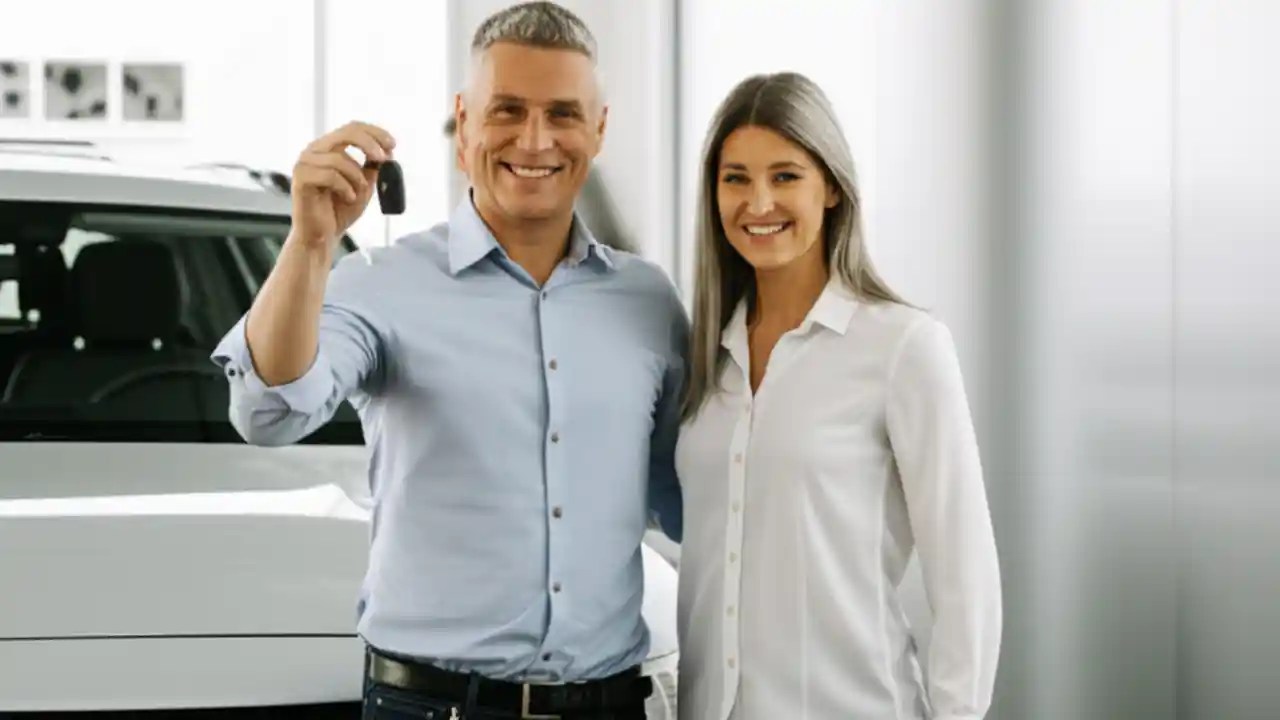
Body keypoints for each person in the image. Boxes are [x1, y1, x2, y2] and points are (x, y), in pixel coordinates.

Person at [209, 3, 686, 718]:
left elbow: (690, 498)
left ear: (598, 129)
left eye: (562, 114)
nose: (535, 139)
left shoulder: (647, 302)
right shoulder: (381, 282)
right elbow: (270, 412)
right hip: (431, 707)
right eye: (508, 110)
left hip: (608, 702)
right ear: (464, 123)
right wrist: (309, 244)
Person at [674, 72, 1002, 720]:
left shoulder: (902, 347)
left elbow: (967, 578)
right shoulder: (706, 357)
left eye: (785, 176)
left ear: (830, 188)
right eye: (736, 178)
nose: (758, 202)